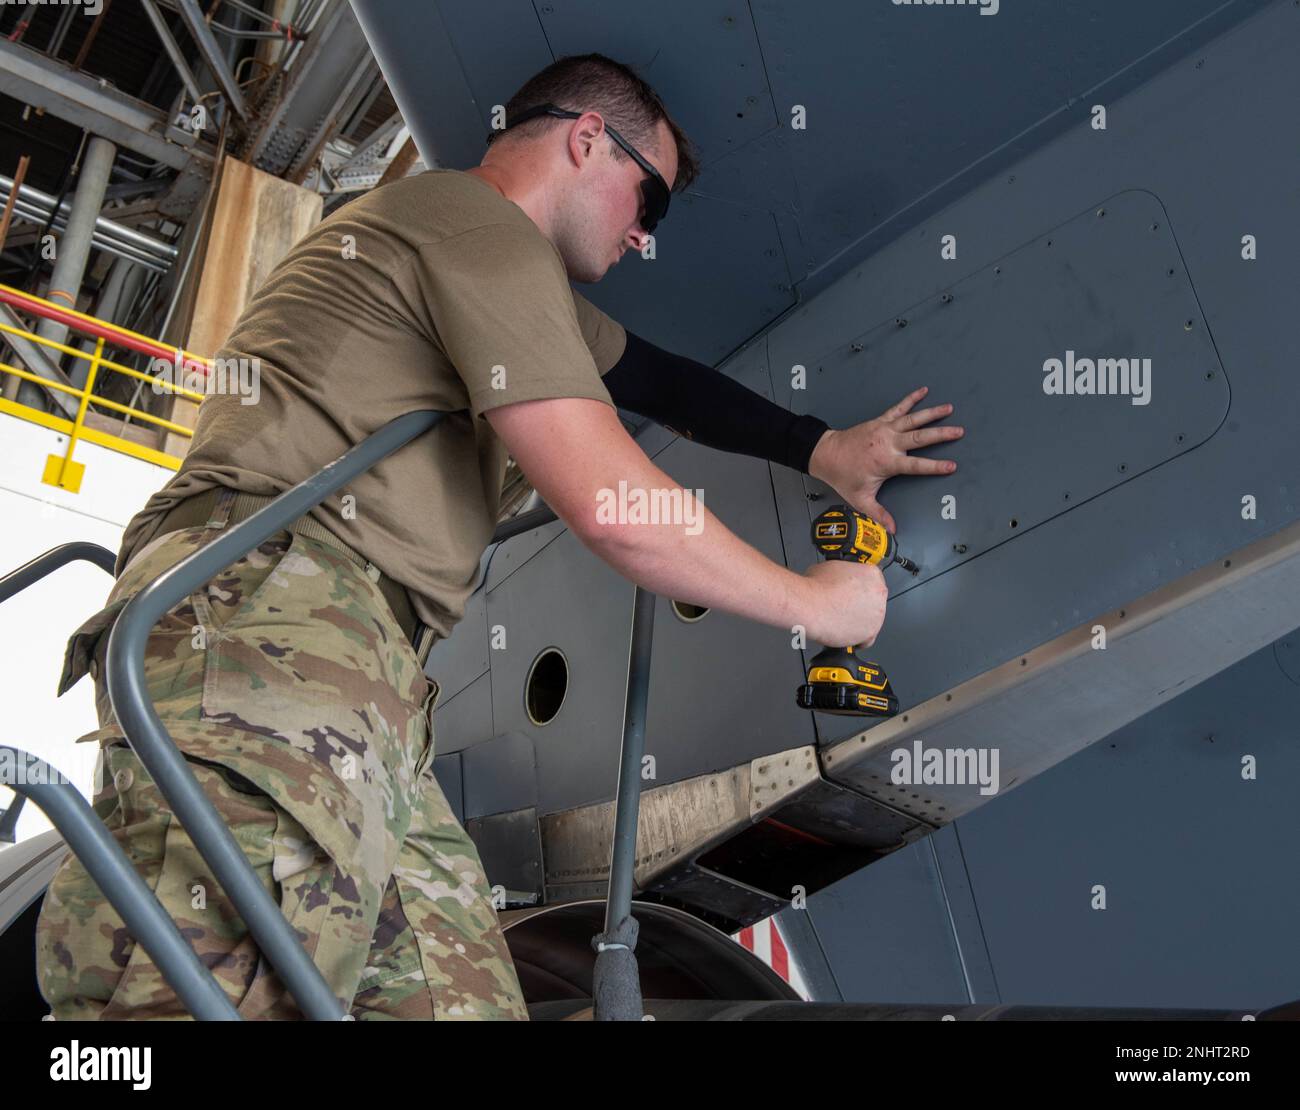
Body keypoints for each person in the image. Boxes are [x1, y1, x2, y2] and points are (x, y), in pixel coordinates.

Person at [34, 52, 962, 1020]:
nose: (647, 240)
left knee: (462, 999)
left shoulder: (506, 279)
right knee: (211, 993)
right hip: (273, 619)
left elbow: (664, 384)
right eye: (651, 202)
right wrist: (815, 602)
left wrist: (822, 449)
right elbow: (612, 503)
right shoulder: (471, 223)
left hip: (372, 676)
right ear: (586, 139)